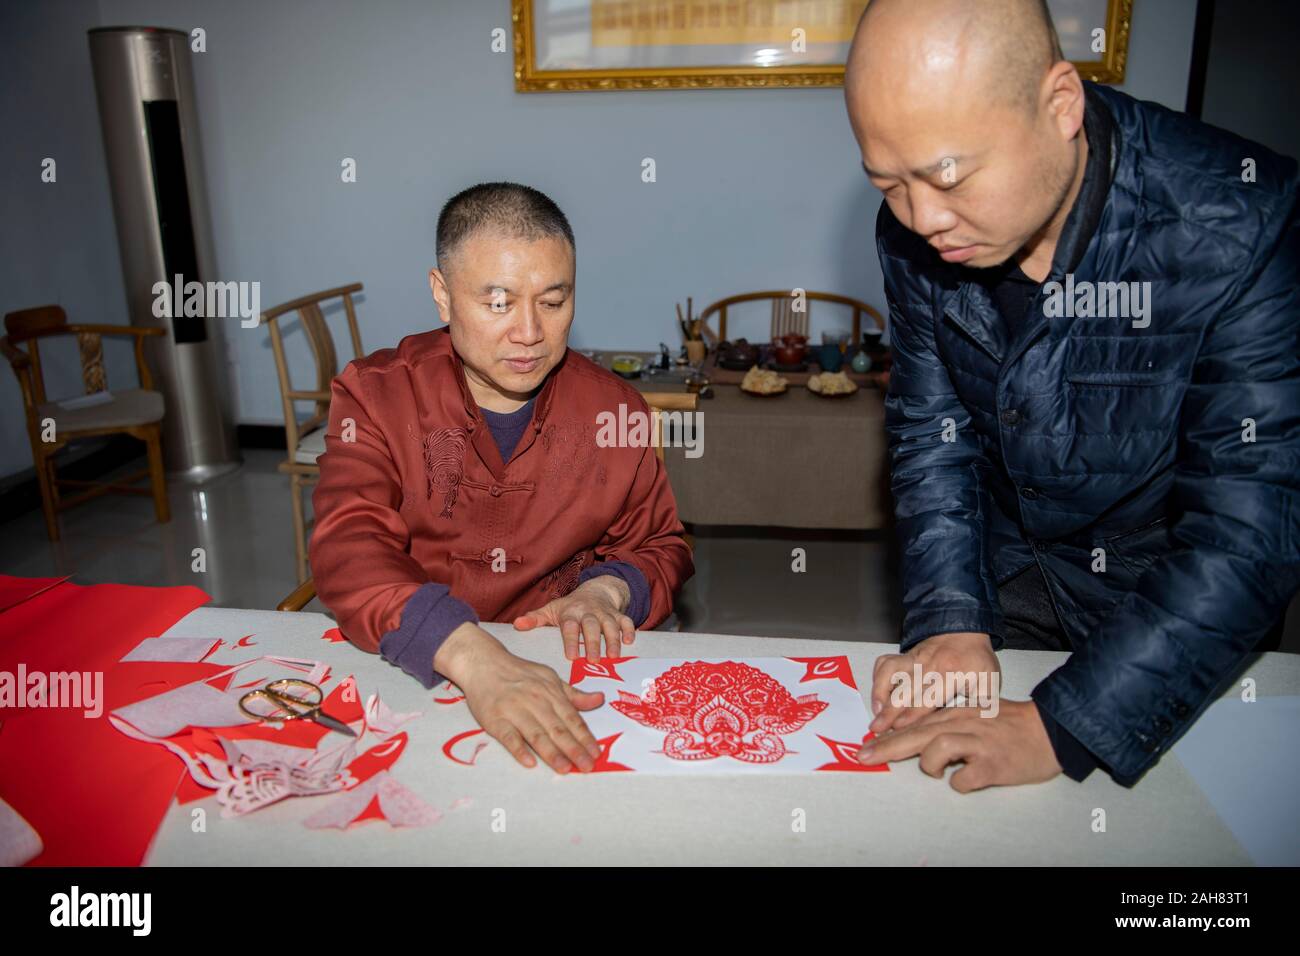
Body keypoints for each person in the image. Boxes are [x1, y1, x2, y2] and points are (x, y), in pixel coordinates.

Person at [843, 0, 1299, 789]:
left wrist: (1066, 728)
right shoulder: (913, 229)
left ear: (1061, 104)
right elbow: (932, 432)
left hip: (1164, 612)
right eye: (888, 183)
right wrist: (953, 616)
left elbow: (1248, 531)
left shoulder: (1244, 222)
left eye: (949, 176)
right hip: (1002, 569)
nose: (921, 218)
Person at [310, 182, 694, 774]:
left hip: (562, 669)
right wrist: (474, 656)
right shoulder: (377, 396)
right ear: (442, 295)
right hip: (420, 660)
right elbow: (348, 547)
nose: (530, 333)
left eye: (553, 301)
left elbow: (660, 545)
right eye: (498, 303)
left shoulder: (615, 412)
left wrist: (604, 591)